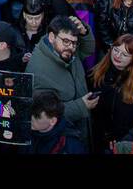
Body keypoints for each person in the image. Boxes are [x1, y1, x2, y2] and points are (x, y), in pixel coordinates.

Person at [27, 15, 95, 149]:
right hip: (59, 142)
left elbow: (88, 50)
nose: (71, 47)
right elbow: (44, 114)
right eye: (66, 41)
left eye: (74, 43)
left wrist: (85, 32)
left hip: (77, 129)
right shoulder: (39, 71)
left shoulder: (63, 52)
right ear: (52, 37)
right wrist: (81, 106)